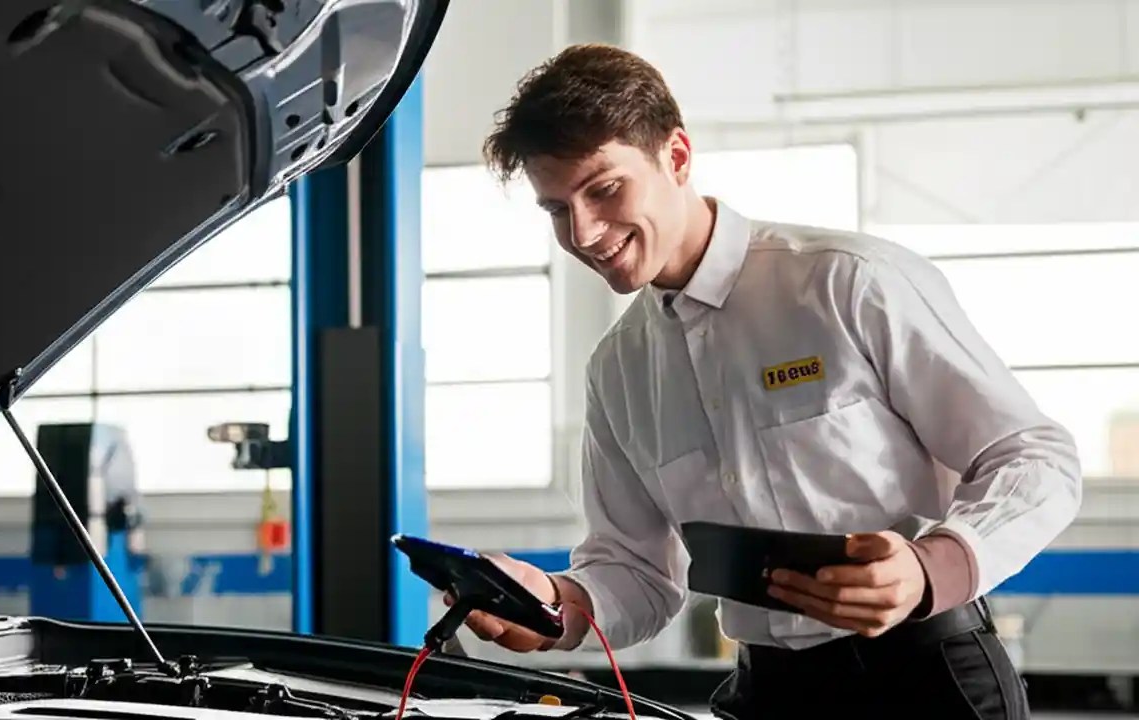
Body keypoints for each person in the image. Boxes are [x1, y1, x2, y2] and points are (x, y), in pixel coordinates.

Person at [459, 43, 1083, 720]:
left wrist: (935, 566)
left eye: (605, 189)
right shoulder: (619, 370)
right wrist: (558, 605)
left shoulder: (848, 283)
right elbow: (637, 574)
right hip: (772, 692)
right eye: (557, 209)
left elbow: (1037, 458)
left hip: (930, 681)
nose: (583, 232)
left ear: (676, 156)